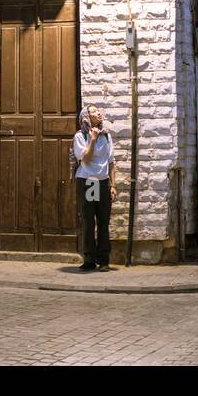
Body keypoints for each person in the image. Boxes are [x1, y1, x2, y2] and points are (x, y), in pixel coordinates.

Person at [72, 105, 117, 272]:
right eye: (94, 111)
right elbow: (86, 159)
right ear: (86, 118)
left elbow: (111, 161)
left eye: (99, 110)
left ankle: (104, 260)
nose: (99, 112)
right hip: (89, 181)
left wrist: (113, 185)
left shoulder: (106, 136)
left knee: (104, 222)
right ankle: (89, 259)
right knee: (89, 221)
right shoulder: (81, 136)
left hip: (103, 181)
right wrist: (92, 139)